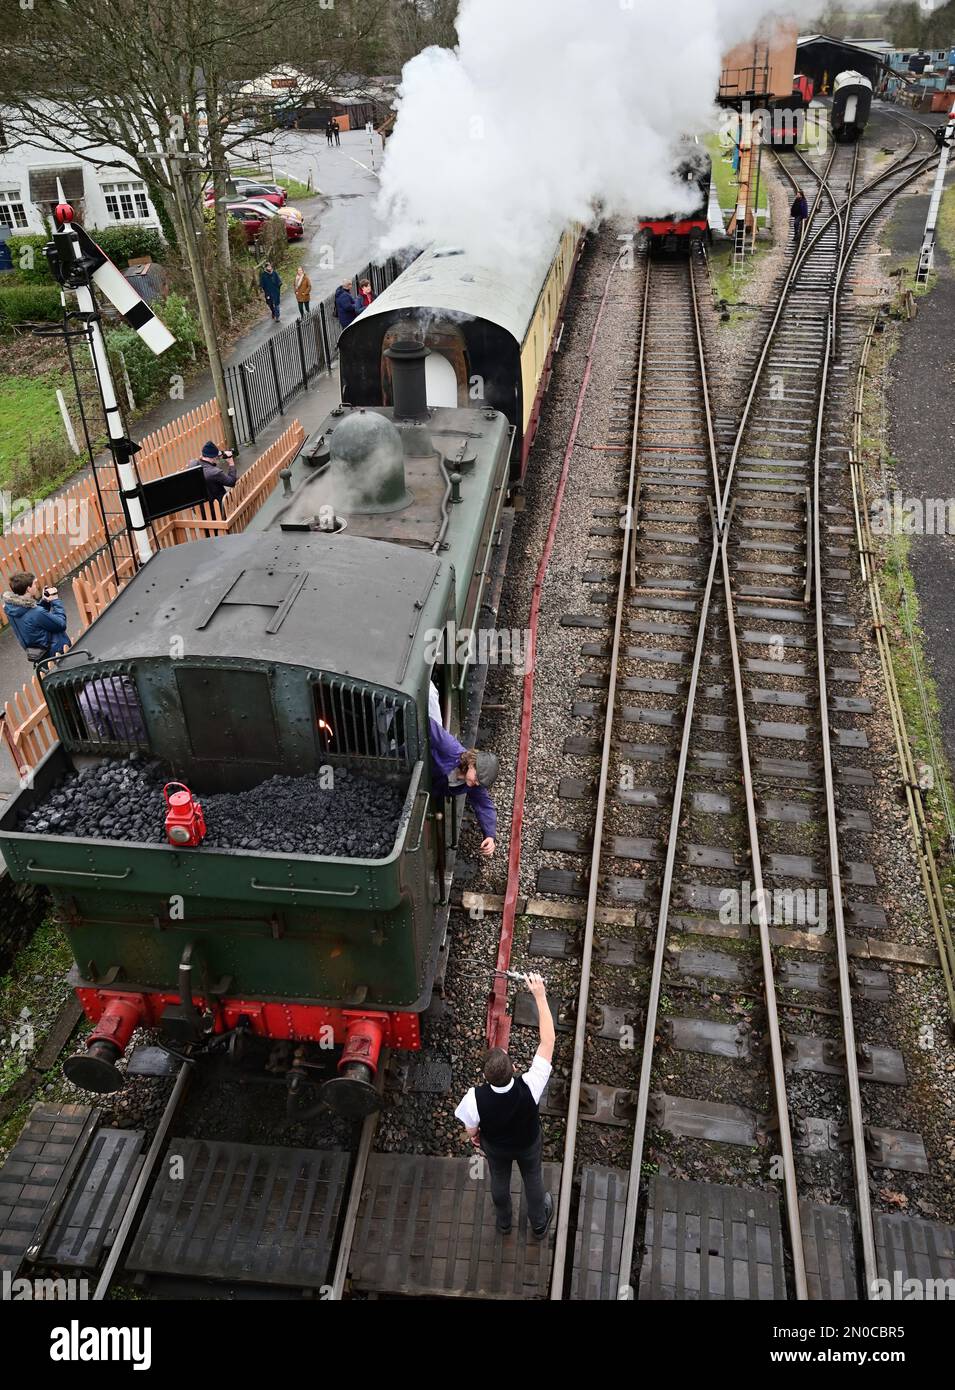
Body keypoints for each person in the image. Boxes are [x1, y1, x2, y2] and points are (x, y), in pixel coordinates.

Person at [454, 973, 555, 1238]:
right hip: (528, 1143)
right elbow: (548, 1042)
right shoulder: (530, 1085)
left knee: (499, 1180)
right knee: (533, 1178)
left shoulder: (474, 1098)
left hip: (496, 1148)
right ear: (514, 1068)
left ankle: (504, 1223)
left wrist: (477, 1140)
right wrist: (540, 996)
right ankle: (539, 1223)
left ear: (486, 1076)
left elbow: (472, 1130)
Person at [428, 706, 498, 856]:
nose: (476, 783)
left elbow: (485, 805)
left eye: (480, 782)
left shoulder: (473, 785)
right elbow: (425, 724)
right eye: (477, 778)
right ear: (472, 764)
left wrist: (490, 836)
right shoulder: (449, 748)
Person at [3, 571, 70, 662]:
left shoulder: (11, 608)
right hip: (55, 652)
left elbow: (32, 620)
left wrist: (45, 601)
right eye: (34, 584)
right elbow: (61, 624)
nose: (36, 586)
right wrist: (55, 601)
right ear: (28, 589)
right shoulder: (35, 612)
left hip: (38, 653)